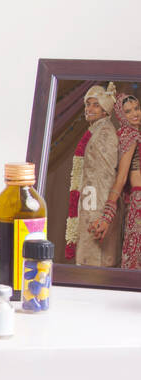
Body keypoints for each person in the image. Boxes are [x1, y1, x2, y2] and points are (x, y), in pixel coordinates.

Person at [68, 84, 121, 266]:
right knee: (86, 262)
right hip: (89, 205)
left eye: (95, 105)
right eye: (87, 104)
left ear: (105, 110)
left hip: (96, 210)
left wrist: (100, 216)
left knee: (94, 265)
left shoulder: (105, 133)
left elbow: (106, 177)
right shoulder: (94, 130)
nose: (89, 109)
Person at [92, 91, 141, 268]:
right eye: (128, 111)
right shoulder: (131, 136)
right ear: (120, 115)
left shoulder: (126, 134)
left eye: (136, 108)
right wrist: (106, 217)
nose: (135, 113)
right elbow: (121, 178)